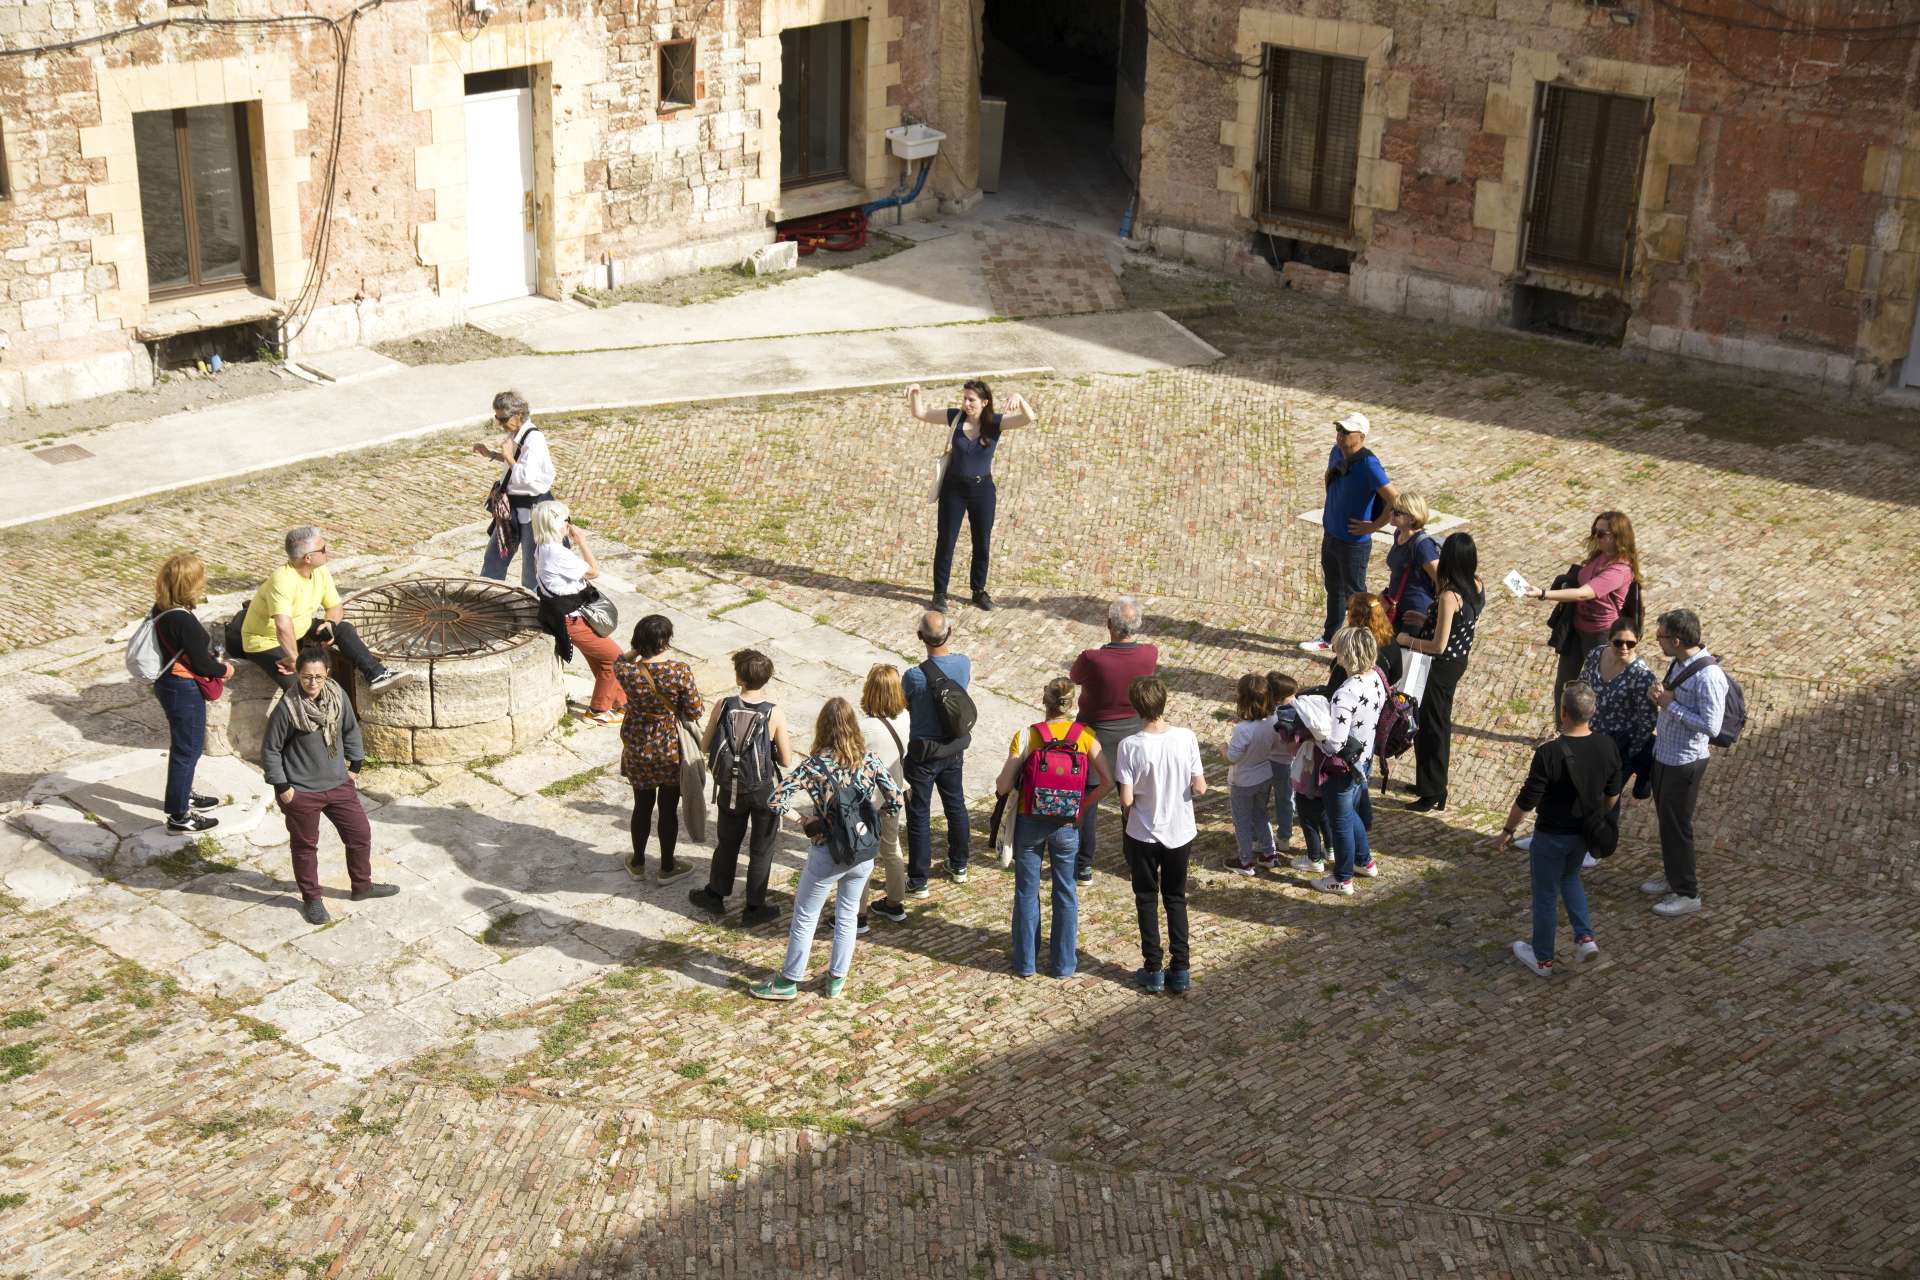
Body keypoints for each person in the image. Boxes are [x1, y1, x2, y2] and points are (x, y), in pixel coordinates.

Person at [748, 698, 904, 1001]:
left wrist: (803, 820)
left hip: (826, 850)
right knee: (847, 915)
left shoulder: (814, 765)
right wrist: (871, 819)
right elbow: (896, 800)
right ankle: (836, 979)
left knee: (806, 916)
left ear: (823, 728)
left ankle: (789, 980)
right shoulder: (869, 760)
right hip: (862, 852)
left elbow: (776, 800)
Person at [262, 646, 398, 925]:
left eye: (318, 677)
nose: (312, 683)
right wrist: (283, 787)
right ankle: (312, 899)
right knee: (305, 847)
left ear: (327, 675)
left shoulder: (337, 694)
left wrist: (355, 766)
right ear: (298, 675)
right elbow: (271, 750)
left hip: (339, 785)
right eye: (306, 677)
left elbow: (350, 728)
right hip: (301, 791)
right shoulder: (288, 708)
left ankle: (363, 886)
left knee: (359, 833)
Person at [1495, 680, 1620, 977]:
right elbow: (1612, 793)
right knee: (1571, 878)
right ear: (1593, 712)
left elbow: (1527, 800)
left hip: (1551, 835)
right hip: (1582, 834)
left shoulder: (1549, 753)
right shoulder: (1607, 746)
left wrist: (1508, 830)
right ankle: (1585, 936)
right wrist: (1599, 814)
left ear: (1563, 712)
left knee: (1545, 896)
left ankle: (1543, 959)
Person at [995, 677, 1111, 979]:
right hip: (1067, 825)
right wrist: (1082, 808)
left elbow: (1003, 785)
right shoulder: (1085, 736)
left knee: (1026, 892)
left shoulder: (1027, 736)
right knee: (1065, 892)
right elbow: (1108, 781)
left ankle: (1025, 963)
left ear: (1043, 700)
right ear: (1072, 704)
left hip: (1030, 820)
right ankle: (1063, 964)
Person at [905, 379, 1037, 611]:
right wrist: (916, 392)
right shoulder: (954, 417)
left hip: (982, 491)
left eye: (972, 400)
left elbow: (1029, 418)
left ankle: (978, 590)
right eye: (964, 398)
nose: (967, 403)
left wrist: (1019, 397)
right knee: (946, 540)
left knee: (981, 541)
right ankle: (939, 593)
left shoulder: (995, 423)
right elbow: (920, 413)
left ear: (984, 402)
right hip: (953, 489)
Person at [689, 648, 796, 925]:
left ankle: (715, 895)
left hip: (731, 788)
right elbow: (786, 759)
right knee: (762, 848)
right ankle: (754, 907)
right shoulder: (774, 713)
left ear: (739, 678)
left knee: (727, 843)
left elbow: (704, 745)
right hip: (763, 790)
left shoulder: (724, 705)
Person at [1114, 676, 1206, 994]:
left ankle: (1153, 968)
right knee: (1176, 898)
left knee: (1146, 899)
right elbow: (1200, 786)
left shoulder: (1130, 746)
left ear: (1136, 707)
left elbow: (1126, 799)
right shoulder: (1186, 738)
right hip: (1180, 831)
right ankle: (1180, 968)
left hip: (1143, 831)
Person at [237, 527, 408, 693]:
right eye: (323, 549)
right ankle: (296, 720)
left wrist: (330, 623)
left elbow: (335, 607)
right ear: (308, 558)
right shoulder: (282, 580)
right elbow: (282, 626)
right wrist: (296, 661)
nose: (328, 553)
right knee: (302, 686)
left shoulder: (320, 571)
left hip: (300, 626)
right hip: (265, 639)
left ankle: (376, 675)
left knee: (343, 629)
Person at [1644, 608, 1727, 919]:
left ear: (1677, 640)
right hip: (1664, 754)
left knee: (1678, 826)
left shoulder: (1709, 677)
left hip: (1685, 761)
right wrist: (1660, 697)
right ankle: (1673, 874)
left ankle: (1687, 892)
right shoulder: (1679, 663)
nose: (1658, 642)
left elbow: (1712, 727)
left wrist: (1671, 705)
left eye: (1660, 637)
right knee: (1667, 821)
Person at [1069, 596, 1158, 882]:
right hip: (1134, 734)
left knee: (1089, 798)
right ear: (1138, 626)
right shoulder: (1149, 654)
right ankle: (1136, 863)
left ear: (1108, 625)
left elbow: (1074, 676)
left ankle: (1084, 864)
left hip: (1096, 737)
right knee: (1132, 800)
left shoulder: (1093, 659)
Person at [1395, 531, 1483, 813]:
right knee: (1434, 723)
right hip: (1457, 662)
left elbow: (1438, 646)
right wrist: (1427, 619)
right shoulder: (1476, 585)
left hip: (1439, 666)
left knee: (1431, 727)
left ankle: (1432, 791)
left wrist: (1407, 640)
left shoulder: (1448, 595)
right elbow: (1460, 624)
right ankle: (1429, 784)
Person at [147, 553, 234, 834]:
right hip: (182, 688)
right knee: (188, 749)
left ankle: (184, 794)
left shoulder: (160, 608)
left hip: (167, 684)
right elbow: (202, 663)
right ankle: (179, 816)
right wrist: (224, 670)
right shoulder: (183, 621)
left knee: (184, 747)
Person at [614, 614, 704, 883]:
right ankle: (667, 867)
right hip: (670, 748)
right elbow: (695, 710)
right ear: (665, 640)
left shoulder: (627, 671)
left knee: (641, 806)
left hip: (638, 746)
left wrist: (637, 650)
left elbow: (619, 660)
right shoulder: (679, 671)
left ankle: (638, 863)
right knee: (667, 809)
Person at [1527, 510, 1642, 715]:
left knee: (1594, 687)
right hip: (1577, 628)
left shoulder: (1620, 570)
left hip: (1600, 634)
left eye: (1601, 534)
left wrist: (1543, 594)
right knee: (1564, 683)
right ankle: (1562, 729)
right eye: (1594, 531)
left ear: (1618, 537)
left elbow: (1583, 594)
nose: (1595, 537)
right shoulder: (1600, 555)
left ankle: (1588, 731)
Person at [1302, 411, 1398, 654]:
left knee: (1356, 598)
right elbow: (1329, 477)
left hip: (1354, 544)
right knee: (1333, 588)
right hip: (1331, 534)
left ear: (1361, 436)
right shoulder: (1336, 452)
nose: (1341, 435)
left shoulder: (1369, 465)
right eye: (1340, 430)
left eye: (1347, 431)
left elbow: (1394, 499)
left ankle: (1360, 646)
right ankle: (1330, 637)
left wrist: (1374, 526)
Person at [531, 500, 626, 725]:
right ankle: (597, 711)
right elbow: (593, 572)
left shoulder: (543, 547)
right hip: (573, 619)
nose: (569, 525)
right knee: (616, 659)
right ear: (556, 524)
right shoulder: (556, 553)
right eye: (567, 521)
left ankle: (621, 702)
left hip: (565, 615)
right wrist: (582, 541)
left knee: (600, 658)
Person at [1309, 627, 1387, 896]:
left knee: (1339, 820)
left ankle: (1342, 878)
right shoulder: (1377, 677)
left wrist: (1314, 735)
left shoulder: (1346, 693)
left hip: (1342, 768)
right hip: (1363, 761)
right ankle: (1363, 860)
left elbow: (1334, 744)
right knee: (1349, 813)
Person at [900, 610, 971, 894]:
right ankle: (959, 864)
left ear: (920, 637)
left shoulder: (914, 676)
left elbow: (905, 705)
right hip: (953, 748)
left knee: (919, 814)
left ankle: (918, 880)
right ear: (950, 633)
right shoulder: (963, 664)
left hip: (923, 754)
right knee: (955, 805)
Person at [471, 389, 554, 590]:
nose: (500, 424)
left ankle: (531, 606)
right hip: (511, 508)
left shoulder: (534, 440)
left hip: (531, 509)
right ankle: (487, 597)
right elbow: (516, 463)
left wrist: (507, 455)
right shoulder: (517, 433)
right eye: (497, 419)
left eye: (503, 419)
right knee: (494, 557)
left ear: (518, 415)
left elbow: (525, 476)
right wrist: (491, 454)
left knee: (530, 566)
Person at [1580, 616, 1658, 809]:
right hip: (1589, 739)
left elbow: (1647, 721)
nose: (1624, 647)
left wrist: (1629, 754)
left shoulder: (1642, 676)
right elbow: (1582, 685)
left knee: (1605, 801)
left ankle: (1602, 836)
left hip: (1617, 749)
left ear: (1637, 641)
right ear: (1609, 639)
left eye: (1630, 643)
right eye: (1618, 642)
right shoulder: (1596, 654)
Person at [857, 664, 913, 927]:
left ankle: (858, 915)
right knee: (892, 848)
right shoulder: (905, 717)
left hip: (867, 798)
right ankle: (894, 902)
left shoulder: (864, 728)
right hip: (893, 791)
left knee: (863, 854)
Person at [1224, 673, 1278, 875]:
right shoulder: (1273, 719)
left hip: (1243, 781)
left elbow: (1232, 757)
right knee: (1261, 814)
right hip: (1265, 774)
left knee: (1242, 821)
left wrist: (1223, 748)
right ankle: (1269, 854)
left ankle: (1245, 861)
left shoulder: (1243, 730)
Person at [1382, 492, 1441, 633]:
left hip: (1415, 613)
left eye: (1397, 512)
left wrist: (1433, 617)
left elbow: (1441, 580)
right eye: (1391, 509)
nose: (1391, 514)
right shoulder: (1398, 534)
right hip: (1396, 606)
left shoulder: (1422, 546)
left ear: (1412, 519)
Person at [1323, 592, 1402, 690]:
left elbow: (1335, 686)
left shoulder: (1353, 652)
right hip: (1380, 692)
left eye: (1349, 610)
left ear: (1355, 617)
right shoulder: (1391, 640)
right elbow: (1397, 675)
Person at [1264, 671, 1299, 858]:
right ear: (1278, 698)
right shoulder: (1287, 717)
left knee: (1276, 800)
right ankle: (1284, 837)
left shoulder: (1268, 717)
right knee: (1285, 800)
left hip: (1274, 762)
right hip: (1284, 763)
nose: (1294, 699)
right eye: (1290, 696)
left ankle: (1279, 836)